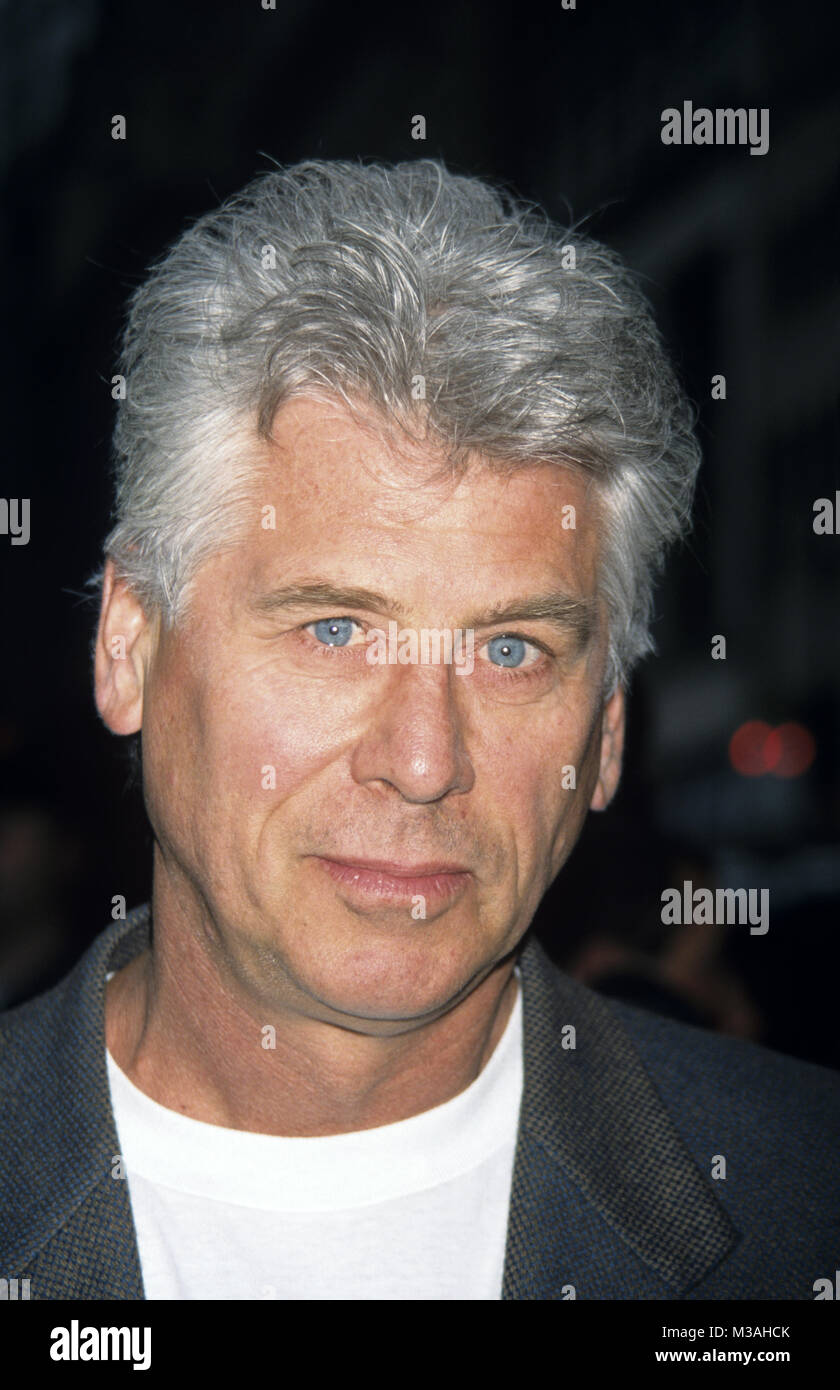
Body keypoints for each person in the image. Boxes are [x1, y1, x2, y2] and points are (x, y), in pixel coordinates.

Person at [1, 159, 837, 1301]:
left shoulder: (805, 1204)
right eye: (336, 629)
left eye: (510, 652)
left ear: (605, 733)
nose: (425, 760)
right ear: (129, 644)